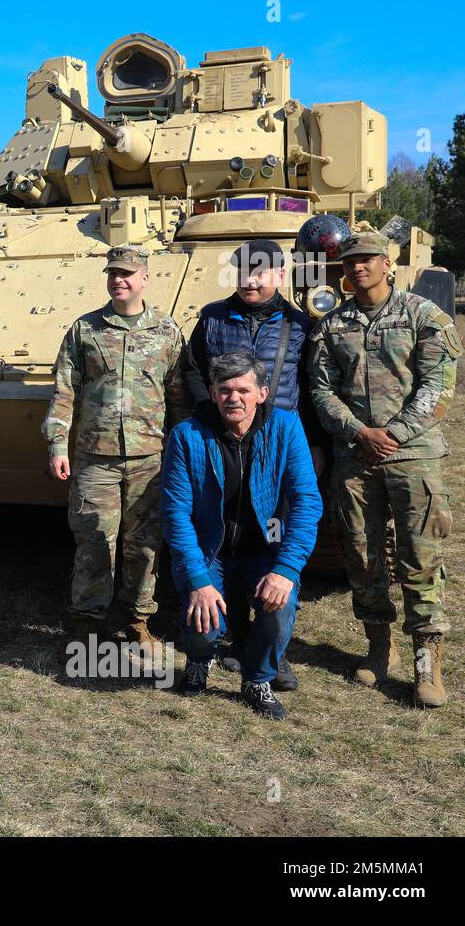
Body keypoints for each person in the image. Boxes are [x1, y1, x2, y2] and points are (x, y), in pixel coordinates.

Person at [306, 230, 462, 707]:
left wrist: (393, 433)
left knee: (420, 559)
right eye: (350, 261)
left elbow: (438, 386)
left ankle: (426, 663)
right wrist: (359, 432)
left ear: (387, 263)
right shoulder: (331, 326)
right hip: (356, 458)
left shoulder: (423, 316)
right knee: (363, 557)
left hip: (413, 456)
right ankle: (379, 649)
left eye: (368, 259)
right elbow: (320, 391)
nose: (358, 267)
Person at [179, 238, 327, 690]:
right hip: (222, 438)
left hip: (280, 448)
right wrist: (214, 413)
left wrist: (317, 446)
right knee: (223, 530)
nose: (251, 279)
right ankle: (232, 636)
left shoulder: (300, 325)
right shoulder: (213, 318)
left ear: (280, 276)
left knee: (272, 538)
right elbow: (191, 370)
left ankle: (267, 649)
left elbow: (313, 385)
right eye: (244, 270)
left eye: (261, 271)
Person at [43, 244, 190, 650]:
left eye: (126, 273)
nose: (118, 280)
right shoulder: (85, 330)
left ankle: (136, 619)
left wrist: (182, 454)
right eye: (112, 273)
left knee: (144, 544)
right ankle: (88, 621)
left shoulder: (167, 332)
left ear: (144, 277)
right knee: (93, 542)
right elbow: (64, 392)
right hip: (96, 459)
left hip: (150, 459)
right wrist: (58, 445)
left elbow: (178, 398)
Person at [161, 352, 322, 720]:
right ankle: (200, 660)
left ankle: (258, 679)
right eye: (225, 390)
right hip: (209, 550)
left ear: (262, 393)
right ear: (214, 393)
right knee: (202, 621)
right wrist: (199, 580)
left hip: (265, 546)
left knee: (280, 606)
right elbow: (175, 514)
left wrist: (286, 569)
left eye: (243, 390)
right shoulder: (187, 435)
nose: (234, 398)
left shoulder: (286, 427)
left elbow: (306, 502)